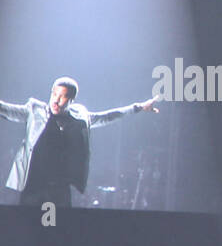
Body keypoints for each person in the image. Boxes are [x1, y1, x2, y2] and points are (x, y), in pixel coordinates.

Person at [1, 76, 161, 207]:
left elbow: (109, 116)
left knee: (57, 232)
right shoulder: (35, 111)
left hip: (59, 189)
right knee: (28, 229)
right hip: (33, 186)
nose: (56, 101)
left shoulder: (80, 118)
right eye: (54, 95)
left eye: (62, 97)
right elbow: (7, 110)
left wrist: (138, 107)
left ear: (72, 100)